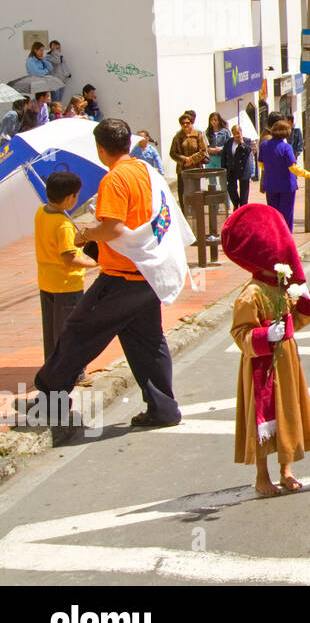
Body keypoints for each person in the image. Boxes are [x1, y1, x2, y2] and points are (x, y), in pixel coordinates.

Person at [32, 119, 183, 428]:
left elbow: (112, 228)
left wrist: (88, 233)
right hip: (148, 272)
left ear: (101, 149)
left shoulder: (114, 180)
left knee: (76, 334)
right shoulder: (145, 170)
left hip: (121, 277)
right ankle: (163, 409)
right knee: (148, 343)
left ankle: (50, 398)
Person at [220, 203, 310, 496]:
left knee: (288, 410)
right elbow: (240, 334)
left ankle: (287, 468)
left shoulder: (281, 285)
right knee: (263, 417)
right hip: (260, 364)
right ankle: (261, 476)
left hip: (286, 358)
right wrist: (265, 336)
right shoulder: (251, 293)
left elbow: (298, 320)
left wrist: (304, 302)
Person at [35, 171, 97, 377]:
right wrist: (93, 262)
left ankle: (52, 367)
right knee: (70, 330)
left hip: (46, 280)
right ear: (70, 197)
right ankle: (72, 371)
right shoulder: (63, 224)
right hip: (67, 283)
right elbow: (69, 258)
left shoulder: (41, 212)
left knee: (51, 330)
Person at [260, 120, 310, 232]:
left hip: (270, 185)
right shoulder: (286, 147)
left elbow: (261, 164)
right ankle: (286, 238)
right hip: (287, 185)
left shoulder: (264, 145)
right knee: (286, 216)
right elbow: (293, 168)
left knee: (274, 215)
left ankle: (275, 237)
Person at [169, 112, 208, 200]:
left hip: (196, 169)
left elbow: (203, 151)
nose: (185, 125)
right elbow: (172, 153)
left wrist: (191, 159)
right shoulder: (177, 137)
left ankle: (196, 211)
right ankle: (184, 212)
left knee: (195, 193)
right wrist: (184, 159)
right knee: (183, 193)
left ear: (191, 123)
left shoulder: (198, 135)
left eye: (187, 123)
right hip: (182, 170)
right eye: (183, 123)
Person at [221, 123, 255, 208]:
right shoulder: (228, 142)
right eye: (234, 133)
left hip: (243, 169)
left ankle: (243, 207)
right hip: (232, 169)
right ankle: (236, 205)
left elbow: (248, 151)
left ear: (241, 132)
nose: (236, 135)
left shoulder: (247, 140)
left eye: (238, 132)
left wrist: (241, 142)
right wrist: (224, 169)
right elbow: (224, 155)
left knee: (244, 190)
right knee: (231, 189)